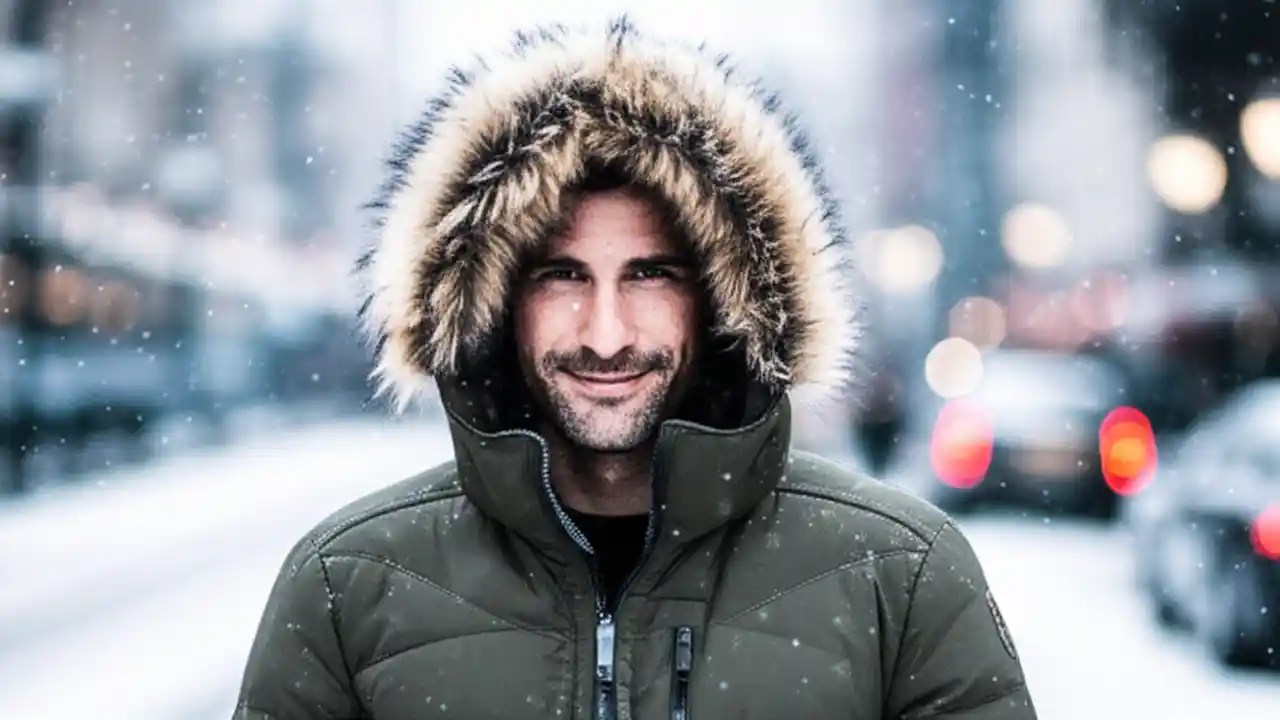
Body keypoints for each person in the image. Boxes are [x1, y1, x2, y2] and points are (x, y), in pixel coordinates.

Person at [233, 18, 1036, 720]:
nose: (607, 333)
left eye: (651, 275)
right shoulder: (348, 587)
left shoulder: (898, 577)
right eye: (562, 275)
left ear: (721, 299)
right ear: (498, 301)